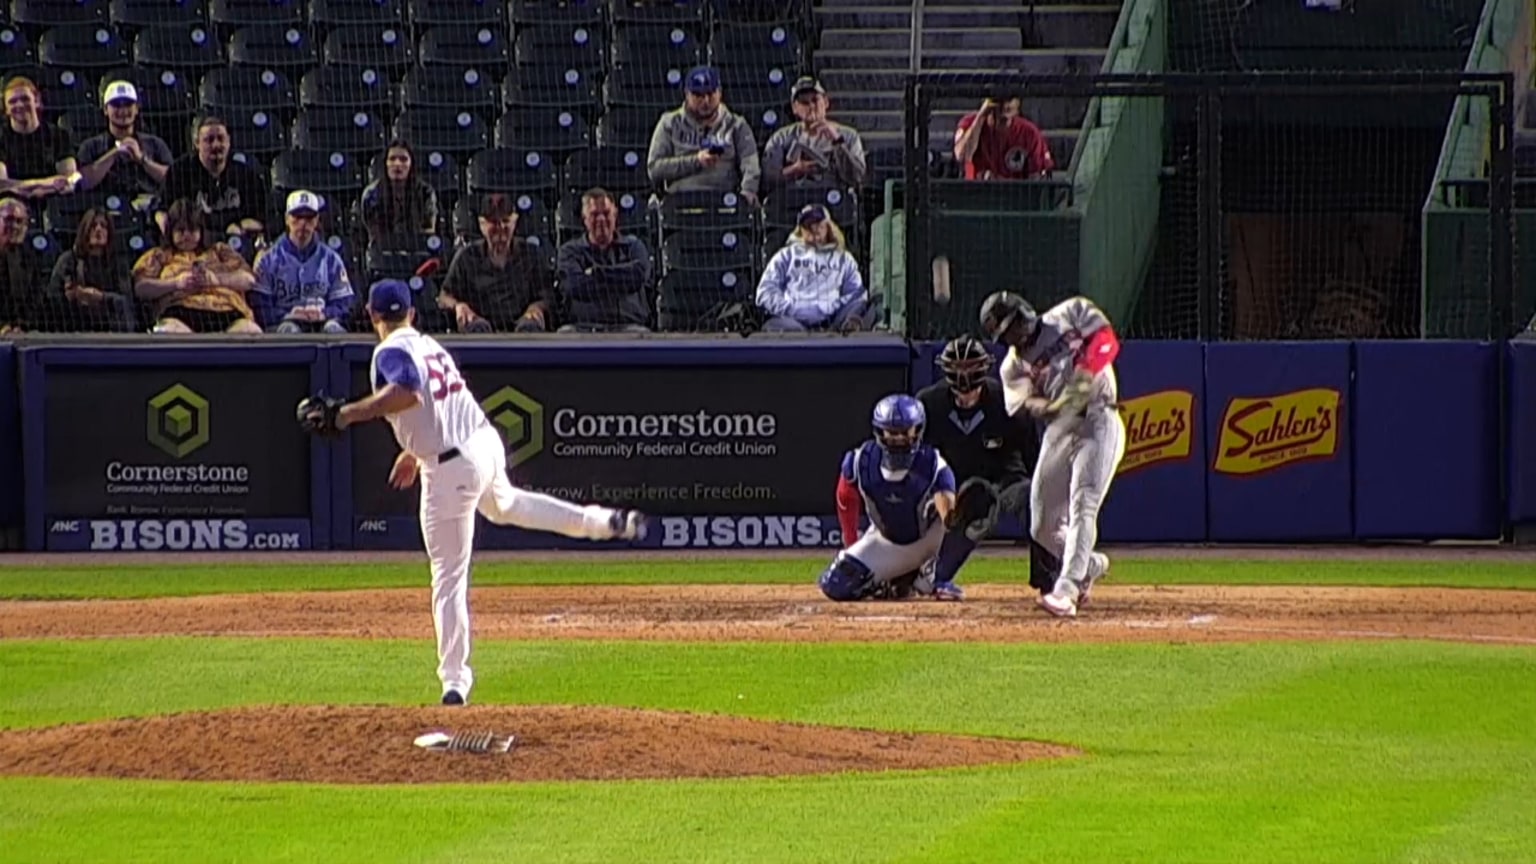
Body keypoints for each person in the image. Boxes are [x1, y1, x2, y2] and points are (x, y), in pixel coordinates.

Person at [298, 278, 649, 706]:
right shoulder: (429, 344)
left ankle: (454, 680)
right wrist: (412, 451)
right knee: (509, 506)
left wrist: (346, 415)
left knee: (448, 578)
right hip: (482, 443)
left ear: (372, 316)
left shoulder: (390, 350)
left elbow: (405, 392)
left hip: (450, 471)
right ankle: (602, 522)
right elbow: (432, 401)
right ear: (412, 313)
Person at [981, 291, 1123, 618]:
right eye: (1004, 336)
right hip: (1061, 428)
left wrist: (1086, 374)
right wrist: (1051, 406)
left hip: (1099, 417)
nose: (1012, 338)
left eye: (1012, 328)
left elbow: (1106, 341)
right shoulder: (1012, 367)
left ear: (1023, 314)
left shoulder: (1070, 312)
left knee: (1083, 502)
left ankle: (1067, 589)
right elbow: (1023, 404)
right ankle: (1088, 564)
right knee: (1042, 525)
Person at [915, 335, 1061, 601]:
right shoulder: (929, 404)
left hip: (1006, 481)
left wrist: (1044, 489)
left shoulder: (1006, 401)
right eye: (958, 370)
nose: (964, 379)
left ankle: (1051, 582)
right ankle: (939, 577)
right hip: (954, 488)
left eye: (970, 369)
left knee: (1036, 498)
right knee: (974, 498)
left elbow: (1034, 455)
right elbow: (921, 462)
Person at [821, 394, 959, 602]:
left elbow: (947, 514)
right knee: (835, 584)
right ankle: (897, 580)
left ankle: (933, 575)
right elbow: (845, 498)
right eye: (892, 432)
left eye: (905, 432)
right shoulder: (860, 461)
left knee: (958, 525)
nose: (898, 438)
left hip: (927, 540)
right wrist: (850, 542)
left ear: (917, 430)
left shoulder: (933, 463)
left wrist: (954, 521)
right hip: (884, 539)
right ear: (879, 431)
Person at [132, 198, 260, 334]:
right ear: (171, 231)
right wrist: (175, 283)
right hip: (179, 311)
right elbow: (141, 288)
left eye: (192, 230)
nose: (186, 236)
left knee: (250, 330)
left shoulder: (220, 251)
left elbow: (249, 280)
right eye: (180, 230)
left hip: (226, 309)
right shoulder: (158, 255)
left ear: (201, 231)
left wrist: (216, 279)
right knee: (168, 331)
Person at [436, 193, 554, 333]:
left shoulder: (532, 254)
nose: (500, 228)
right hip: (480, 327)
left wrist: (536, 307)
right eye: (493, 222)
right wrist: (458, 306)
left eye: (505, 221)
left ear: (514, 221)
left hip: (522, 327)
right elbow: (444, 297)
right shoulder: (466, 256)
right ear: (482, 224)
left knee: (529, 328)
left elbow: (548, 295)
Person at [646, 65, 761, 201]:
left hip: (724, 201)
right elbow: (654, 169)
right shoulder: (670, 123)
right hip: (680, 201)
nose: (706, 101)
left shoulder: (736, 125)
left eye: (711, 93)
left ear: (720, 92)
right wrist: (696, 161)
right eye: (698, 95)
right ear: (687, 94)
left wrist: (747, 192)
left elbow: (751, 165)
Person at [756, 203, 874, 332]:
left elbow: (855, 294)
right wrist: (790, 309)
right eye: (808, 225)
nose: (814, 228)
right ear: (800, 230)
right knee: (776, 326)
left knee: (863, 305)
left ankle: (846, 331)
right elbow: (765, 292)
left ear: (828, 226)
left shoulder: (844, 258)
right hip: (793, 320)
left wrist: (833, 307)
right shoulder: (786, 255)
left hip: (833, 319)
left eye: (819, 224)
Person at [250, 190, 355, 333]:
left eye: (309, 218)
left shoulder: (331, 259)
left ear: (317, 220)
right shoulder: (268, 260)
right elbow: (260, 307)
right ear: (287, 219)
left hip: (322, 323)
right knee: (289, 330)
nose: (303, 224)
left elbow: (345, 304)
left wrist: (324, 313)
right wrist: (289, 315)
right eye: (297, 217)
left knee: (333, 329)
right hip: (282, 324)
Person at [555, 187, 653, 332]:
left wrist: (595, 273)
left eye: (606, 213)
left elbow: (637, 278)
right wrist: (620, 277)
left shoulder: (634, 246)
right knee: (565, 333)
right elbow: (574, 287)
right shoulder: (569, 251)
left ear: (615, 215)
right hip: (582, 328)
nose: (601, 219)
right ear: (584, 219)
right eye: (594, 215)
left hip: (629, 327)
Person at [159, 115, 267, 241]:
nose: (216, 145)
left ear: (229, 141)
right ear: (197, 143)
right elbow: (163, 211)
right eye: (209, 140)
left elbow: (262, 218)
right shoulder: (179, 172)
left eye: (221, 139)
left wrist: (240, 226)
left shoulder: (247, 175)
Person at [75, 80, 173, 207]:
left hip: (148, 207)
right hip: (103, 209)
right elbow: (82, 182)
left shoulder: (155, 143)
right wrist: (114, 153)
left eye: (128, 104)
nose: (122, 110)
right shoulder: (90, 146)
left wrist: (142, 159)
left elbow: (172, 179)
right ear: (105, 109)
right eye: (116, 105)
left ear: (136, 108)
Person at [761, 76, 867, 192]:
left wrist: (837, 141)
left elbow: (857, 177)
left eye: (815, 100)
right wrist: (794, 170)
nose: (811, 107)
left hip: (835, 198)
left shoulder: (849, 135)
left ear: (826, 102)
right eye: (804, 103)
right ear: (794, 108)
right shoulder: (780, 138)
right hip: (792, 199)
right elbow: (768, 179)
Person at [46, 208, 137, 332]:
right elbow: (52, 296)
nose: (98, 229)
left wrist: (101, 297)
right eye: (93, 225)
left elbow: (126, 300)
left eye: (103, 226)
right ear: (85, 230)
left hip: (111, 328)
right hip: (74, 328)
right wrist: (72, 297)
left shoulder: (118, 262)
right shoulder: (68, 260)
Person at [0, 76, 79, 201]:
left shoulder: (59, 135)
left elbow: (68, 180)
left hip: (52, 201)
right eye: (12, 101)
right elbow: (2, 184)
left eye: (25, 99)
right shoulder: (1, 138)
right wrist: (45, 183)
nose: (19, 105)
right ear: (6, 109)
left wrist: (24, 187)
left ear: (36, 100)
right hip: (12, 203)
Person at [354, 139, 439, 245]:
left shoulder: (425, 192)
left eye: (403, 159)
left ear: (411, 163)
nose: (397, 164)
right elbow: (373, 234)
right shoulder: (372, 194)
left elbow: (428, 231)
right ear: (385, 163)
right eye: (392, 159)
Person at [952, 96, 1054, 181]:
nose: (1005, 105)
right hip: (977, 195)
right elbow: (962, 155)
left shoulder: (1029, 132)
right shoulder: (970, 123)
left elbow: (1037, 175)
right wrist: (981, 116)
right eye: (1000, 100)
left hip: (1014, 198)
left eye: (1010, 100)